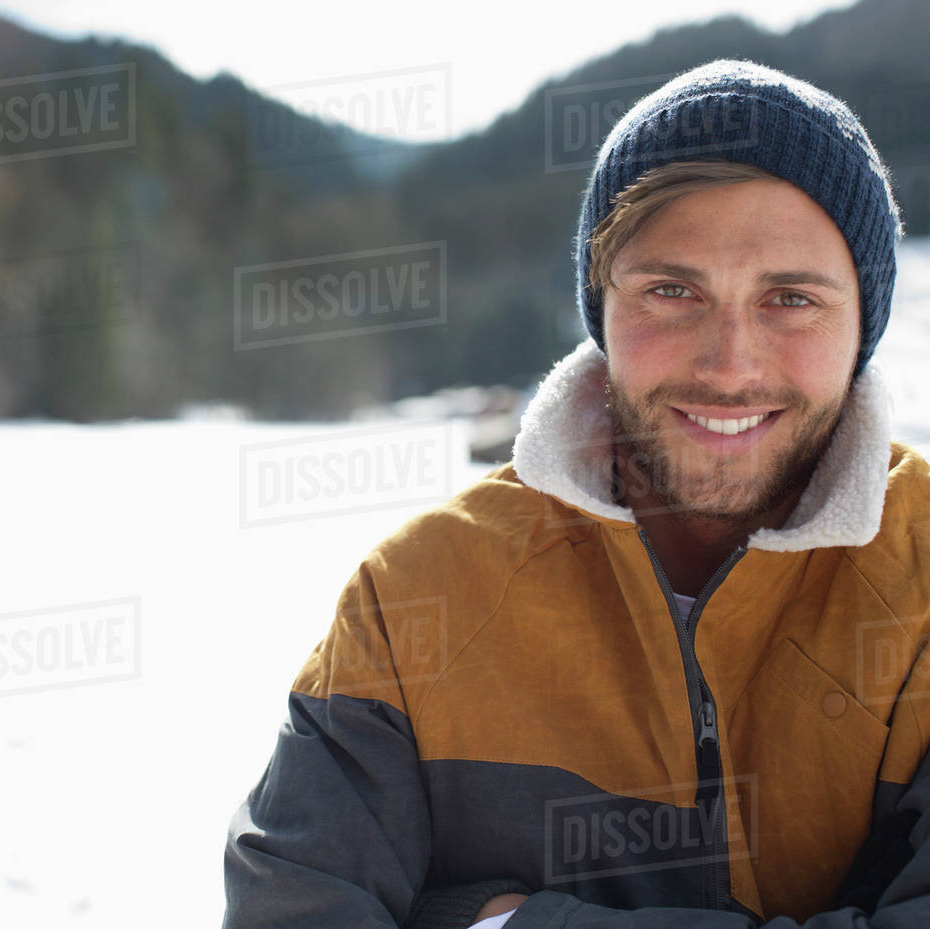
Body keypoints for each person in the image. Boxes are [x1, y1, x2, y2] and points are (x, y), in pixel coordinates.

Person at [221, 58, 930, 928]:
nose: (731, 363)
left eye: (791, 299)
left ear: (865, 325)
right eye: (673, 290)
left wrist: (511, 924)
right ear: (601, 308)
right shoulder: (417, 595)